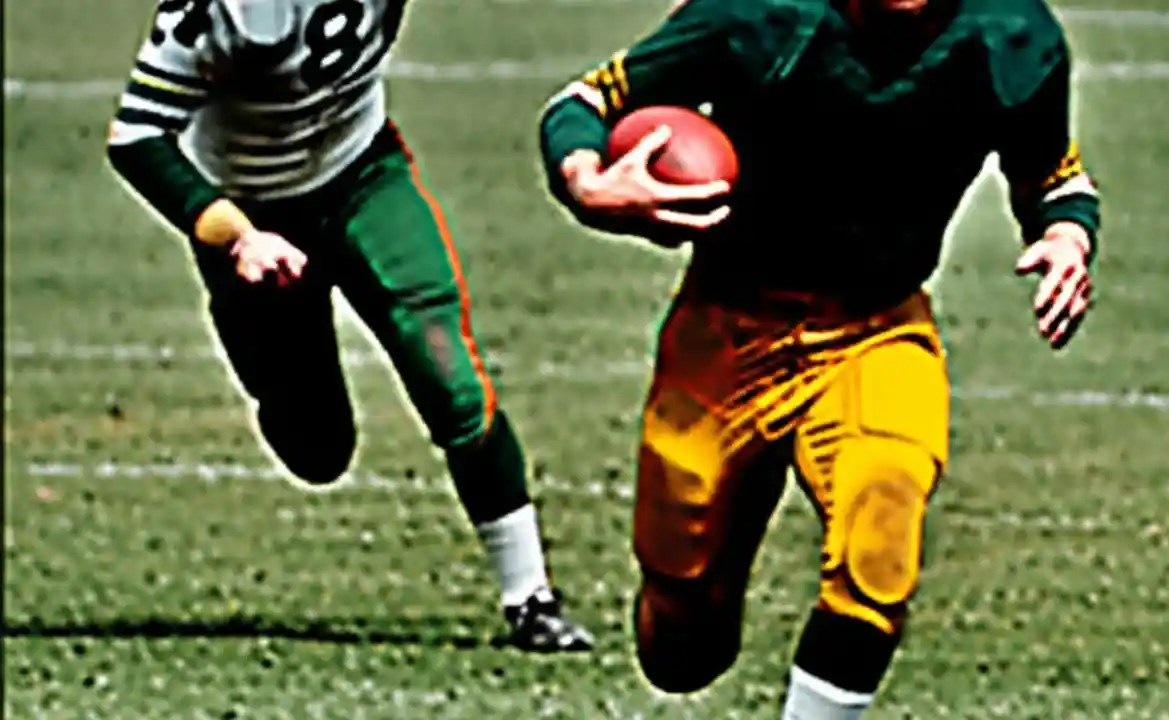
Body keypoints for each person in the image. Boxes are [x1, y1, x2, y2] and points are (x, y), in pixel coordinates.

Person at [537, 0, 1099, 713]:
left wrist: (1066, 237)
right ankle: (699, 587)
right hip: (726, 332)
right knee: (681, 647)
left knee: (878, 550)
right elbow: (587, 99)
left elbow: (1052, 173)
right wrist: (588, 179)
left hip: (876, 328)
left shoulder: (1012, 34)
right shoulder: (756, 14)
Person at [106, 0, 593, 652]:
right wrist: (236, 237)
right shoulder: (225, 11)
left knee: (450, 379)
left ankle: (530, 598)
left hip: (363, 175)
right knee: (316, 448)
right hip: (252, 216)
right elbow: (135, 134)